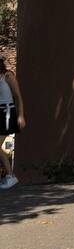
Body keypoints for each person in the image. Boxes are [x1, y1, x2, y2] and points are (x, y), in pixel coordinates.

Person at [0, 57, 24, 190]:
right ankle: (9, 176)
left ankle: (10, 176)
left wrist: (20, 116)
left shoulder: (8, 76)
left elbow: (18, 96)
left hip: (8, 112)